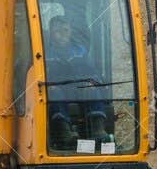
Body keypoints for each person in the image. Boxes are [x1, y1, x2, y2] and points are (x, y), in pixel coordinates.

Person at [45, 16, 111, 149]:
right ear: (51, 34)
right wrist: (49, 85)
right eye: (58, 31)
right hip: (58, 90)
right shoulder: (45, 53)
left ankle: (97, 129)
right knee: (55, 94)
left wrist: (92, 82)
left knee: (92, 90)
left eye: (66, 30)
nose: (63, 34)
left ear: (70, 32)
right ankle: (64, 131)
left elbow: (93, 71)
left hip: (78, 88)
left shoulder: (80, 51)